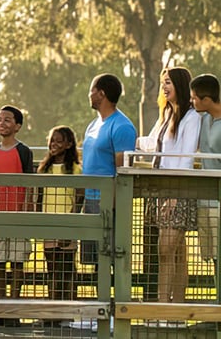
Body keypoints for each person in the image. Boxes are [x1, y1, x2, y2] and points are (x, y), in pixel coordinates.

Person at [142, 67, 200, 304]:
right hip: (161, 189)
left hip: (179, 190)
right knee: (175, 251)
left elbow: (186, 158)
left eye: (168, 83)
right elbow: (151, 144)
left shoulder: (191, 117)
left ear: (180, 85)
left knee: (166, 249)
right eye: (162, 82)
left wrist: (176, 193)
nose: (164, 87)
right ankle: (173, 306)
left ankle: (165, 306)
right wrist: (129, 142)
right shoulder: (166, 115)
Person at [81, 74, 137, 268]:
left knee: (110, 257)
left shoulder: (122, 126)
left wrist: (112, 205)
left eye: (92, 90)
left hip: (107, 201)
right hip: (90, 199)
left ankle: (116, 298)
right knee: (94, 261)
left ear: (101, 93)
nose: (89, 95)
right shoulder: (93, 125)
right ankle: (98, 299)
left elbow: (122, 171)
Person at [0, 105, 34, 304]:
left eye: (7, 120)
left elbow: (30, 183)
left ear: (17, 126)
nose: (1, 123)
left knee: (17, 261)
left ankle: (14, 302)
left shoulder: (23, 151)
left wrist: (26, 209)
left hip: (17, 214)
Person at [36, 126, 84, 303]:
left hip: (67, 225)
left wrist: (70, 226)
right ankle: (53, 310)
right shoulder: (44, 169)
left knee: (68, 269)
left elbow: (79, 197)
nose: (53, 144)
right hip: (49, 224)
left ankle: (70, 310)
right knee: (53, 269)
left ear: (69, 144)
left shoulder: (75, 169)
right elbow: (39, 198)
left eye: (58, 141)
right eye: (51, 140)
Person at [190, 74, 220, 274]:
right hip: (206, 199)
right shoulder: (204, 119)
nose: (192, 102)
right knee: (212, 256)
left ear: (207, 100)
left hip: (219, 201)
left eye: (194, 98)